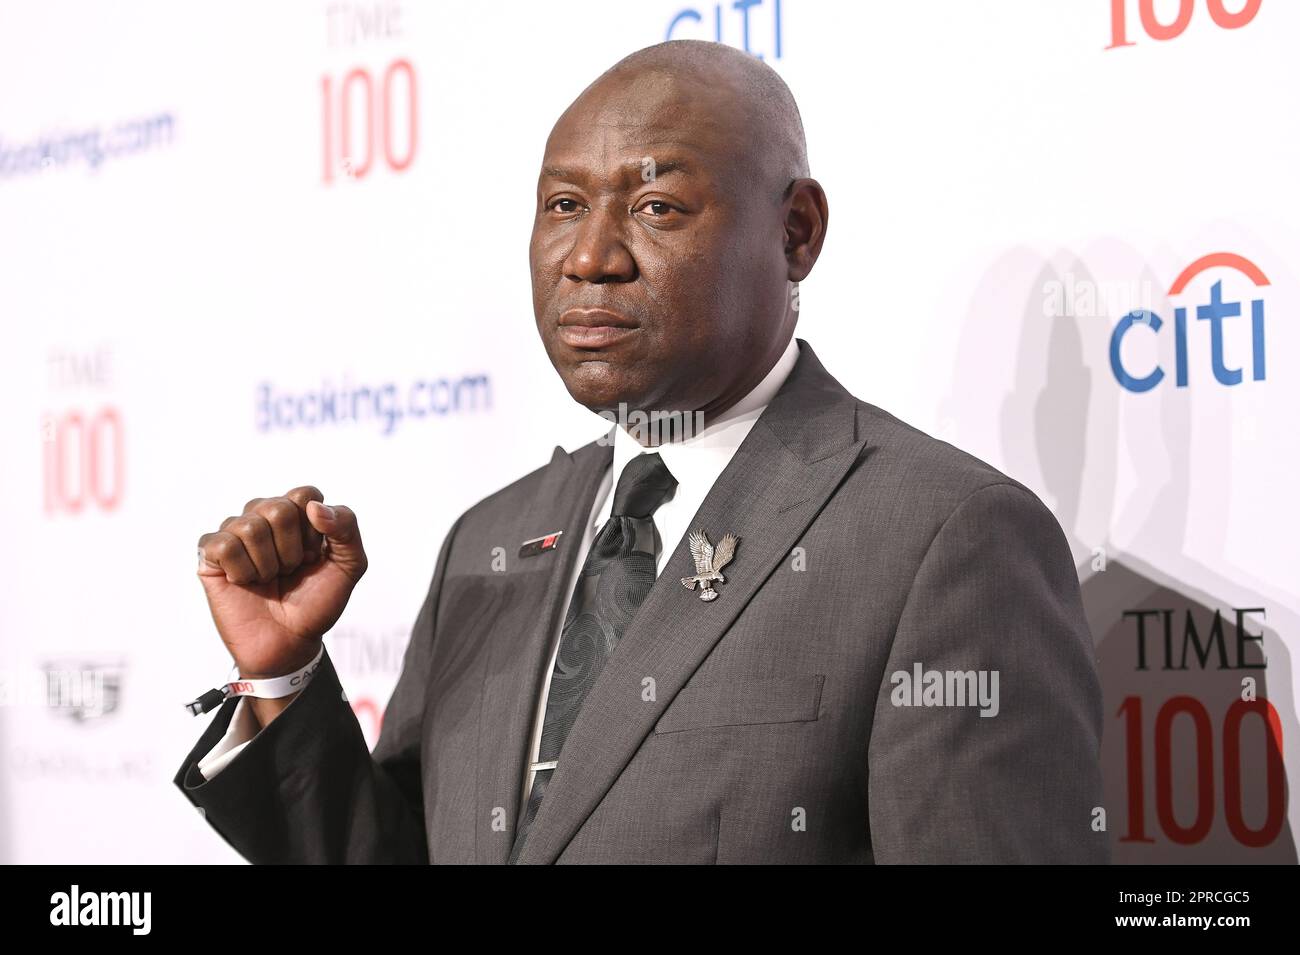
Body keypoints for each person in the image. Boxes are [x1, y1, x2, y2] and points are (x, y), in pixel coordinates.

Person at [176, 39, 1108, 864]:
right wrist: (282, 674)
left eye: (657, 206)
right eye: (564, 204)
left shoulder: (942, 537)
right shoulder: (491, 539)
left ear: (796, 233)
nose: (589, 257)